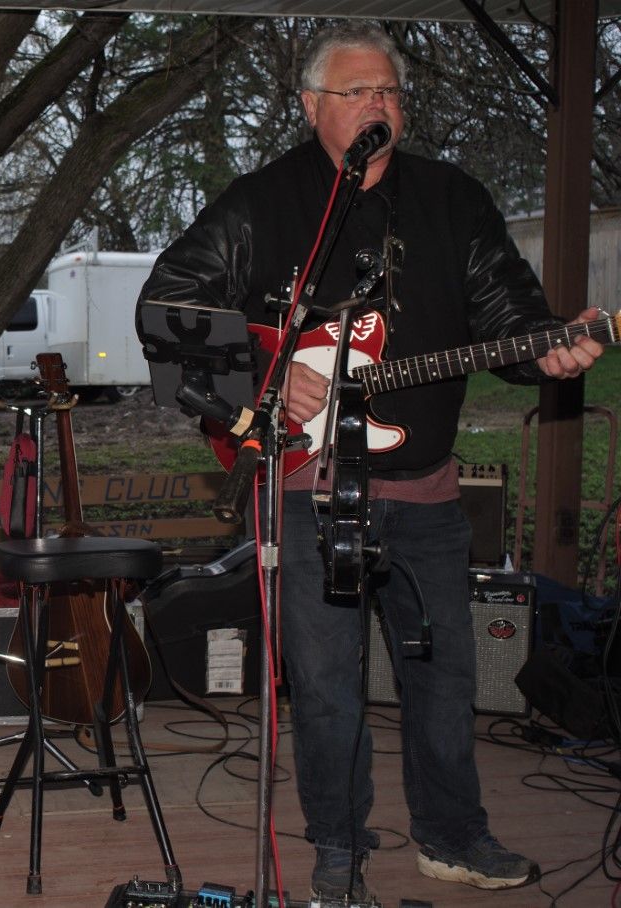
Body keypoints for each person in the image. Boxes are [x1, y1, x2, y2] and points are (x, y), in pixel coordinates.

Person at [137, 22, 604, 901]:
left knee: (444, 675)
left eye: (389, 92)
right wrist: (270, 379)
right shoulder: (262, 202)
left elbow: (509, 318)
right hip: (308, 491)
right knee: (324, 687)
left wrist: (547, 349)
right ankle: (339, 853)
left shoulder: (453, 200)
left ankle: (455, 836)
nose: (377, 106)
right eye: (356, 93)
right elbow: (169, 309)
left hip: (424, 487)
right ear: (311, 106)